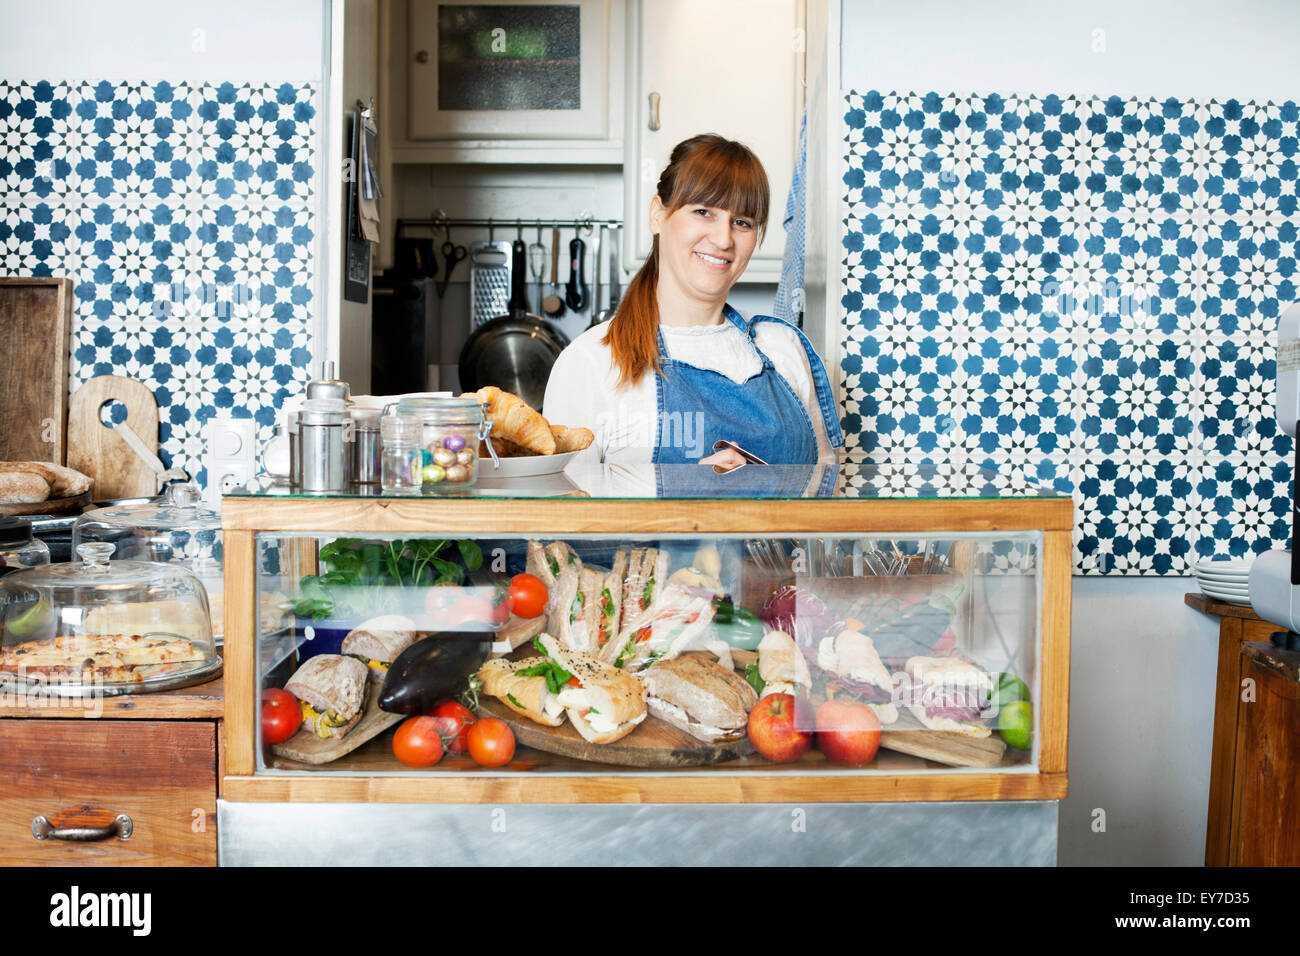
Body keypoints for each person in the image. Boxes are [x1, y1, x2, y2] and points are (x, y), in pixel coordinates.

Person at [543, 134, 844, 472]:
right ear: (658, 215)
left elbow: (822, 490)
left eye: (742, 222)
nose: (723, 239)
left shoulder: (783, 347)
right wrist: (693, 501)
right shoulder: (592, 363)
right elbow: (565, 515)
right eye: (703, 212)